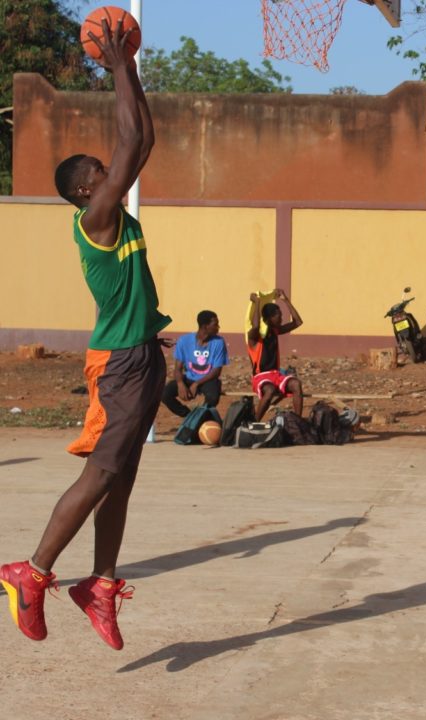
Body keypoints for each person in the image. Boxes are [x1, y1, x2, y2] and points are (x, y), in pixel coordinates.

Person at [0, 19, 168, 650]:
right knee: (102, 472)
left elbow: (140, 139)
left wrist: (130, 69)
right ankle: (31, 571)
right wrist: (118, 61)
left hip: (140, 357)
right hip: (119, 364)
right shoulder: (96, 221)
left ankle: (99, 584)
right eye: (103, 171)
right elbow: (128, 144)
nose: (115, 174)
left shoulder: (113, 213)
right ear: (85, 191)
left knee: (121, 477)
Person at [247, 289, 304, 421]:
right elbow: (255, 326)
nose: (282, 318)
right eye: (278, 315)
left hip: (276, 374)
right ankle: (254, 422)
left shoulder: (275, 331)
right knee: (270, 390)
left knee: (296, 384)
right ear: (269, 318)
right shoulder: (254, 337)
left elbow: (298, 322)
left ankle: (298, 421)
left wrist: (285, 300)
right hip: (260, 378)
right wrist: (256, 303)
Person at [161, 310, 228, 417]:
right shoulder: (184, 341)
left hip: (208, 379)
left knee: (212, 397)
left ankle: (202, 417)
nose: (218, 327)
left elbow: (216, 372)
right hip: (189, 377)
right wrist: (180, 383)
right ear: (205, 327)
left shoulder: (219, 342)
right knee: (165, 394)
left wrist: (196, 384)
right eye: (215, 324)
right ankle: (189, 416)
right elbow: (178, 368)